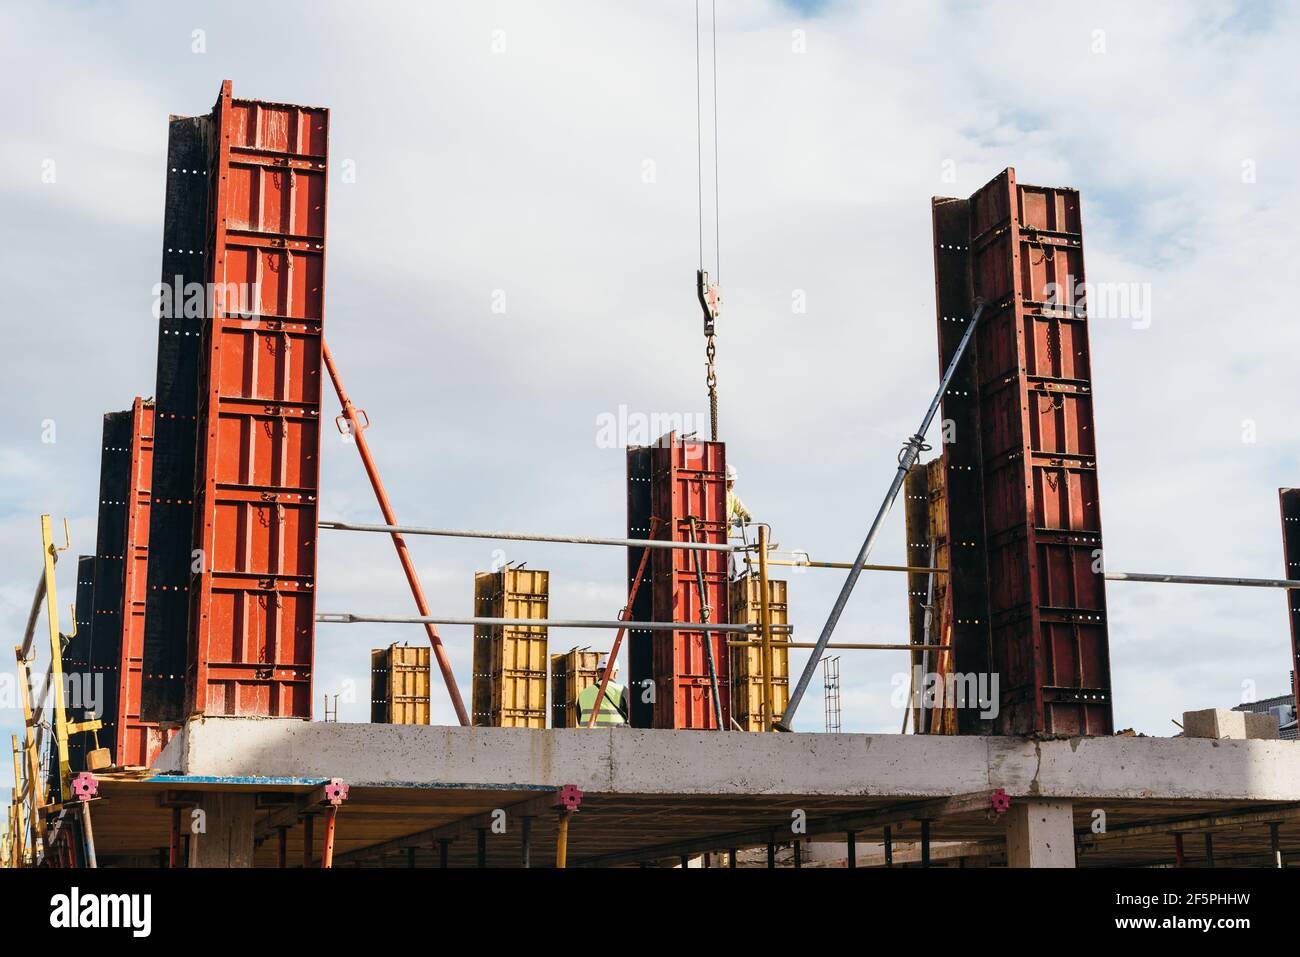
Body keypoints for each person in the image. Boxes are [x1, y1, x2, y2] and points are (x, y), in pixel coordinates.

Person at [576, 655, 627, 726]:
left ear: (598, 673)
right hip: (614, 736)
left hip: (587, 736)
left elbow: (579, 719)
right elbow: (633, 718)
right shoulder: (621, 690)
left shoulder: (583, 694)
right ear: (615, 673)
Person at [726, 463, 751, 529]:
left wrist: (746, 518)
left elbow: (743, 511)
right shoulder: (713, 495)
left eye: (733, 480)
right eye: (729, 481)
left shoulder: (733, 497)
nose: (731, 483)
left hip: (725, 537)